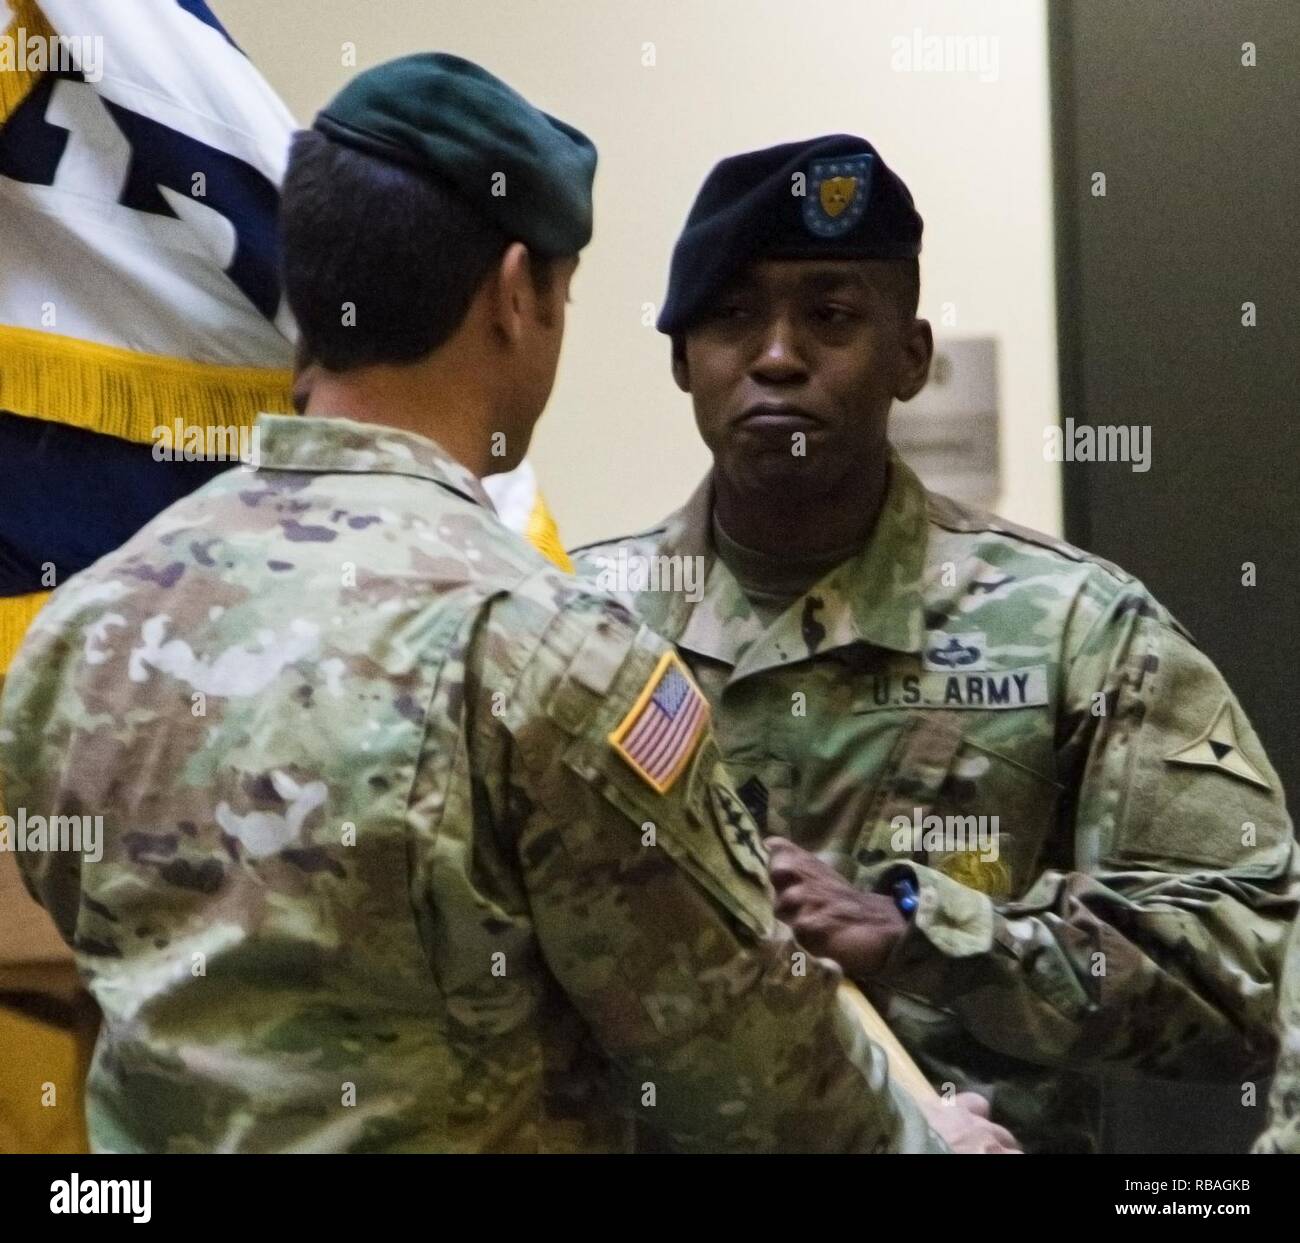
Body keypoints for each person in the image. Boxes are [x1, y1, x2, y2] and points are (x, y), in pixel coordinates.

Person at [0, 59, 1015, 1155]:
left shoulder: (81, 630)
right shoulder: (546, 652)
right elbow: (740, 1058)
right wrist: (927, 1140)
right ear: (516, 290)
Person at [571, 134, 1300, 1153]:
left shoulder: (1072, 626)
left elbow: (1252, 967)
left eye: (829, 316)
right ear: (682, 357)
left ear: (909, 356)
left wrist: (936, 936)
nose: (776, 354)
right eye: (733, 315)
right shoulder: (575, 628)